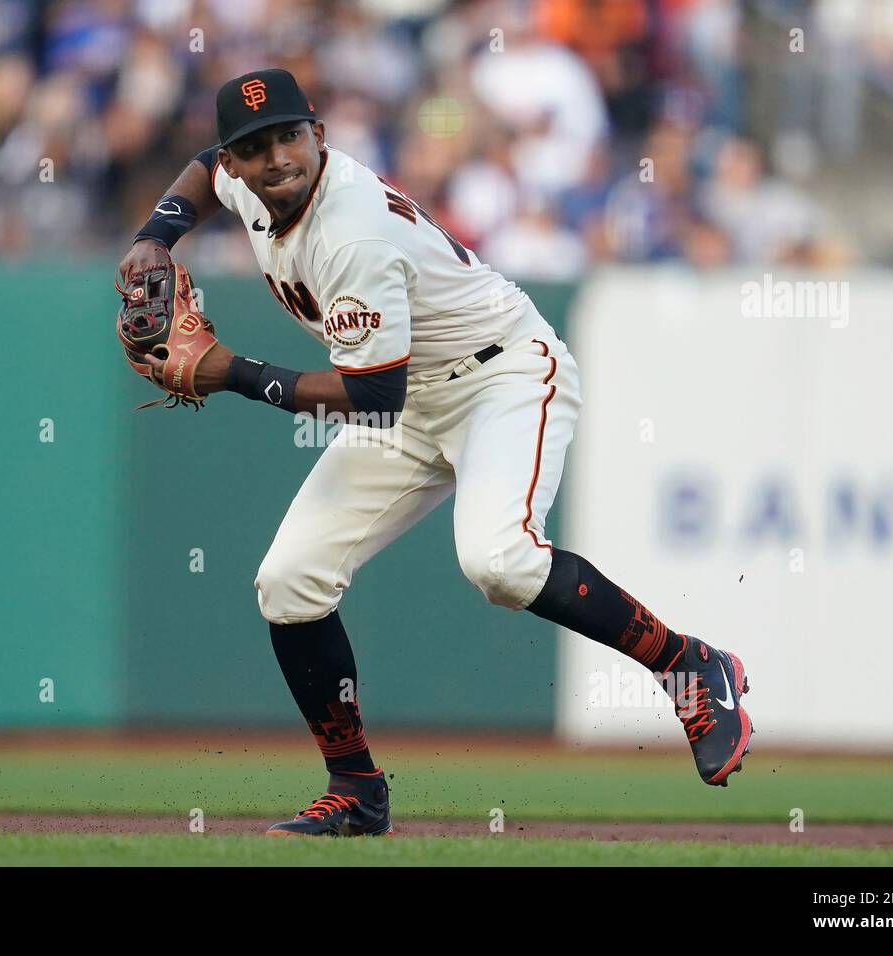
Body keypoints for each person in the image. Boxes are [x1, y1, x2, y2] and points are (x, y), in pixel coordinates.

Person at [118, 69, 753, 837]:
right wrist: (155, 235)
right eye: (255, 146)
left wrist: (235, 374)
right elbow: (204, 171)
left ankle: (685, 662)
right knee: (289, 584)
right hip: (410, 392)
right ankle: (355, 785)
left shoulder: (349, 231)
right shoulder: (244, 179)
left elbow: (374, 400)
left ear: (319, 134)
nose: (276, 157)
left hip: (502, 375)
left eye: (289, 135)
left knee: (500, 562)